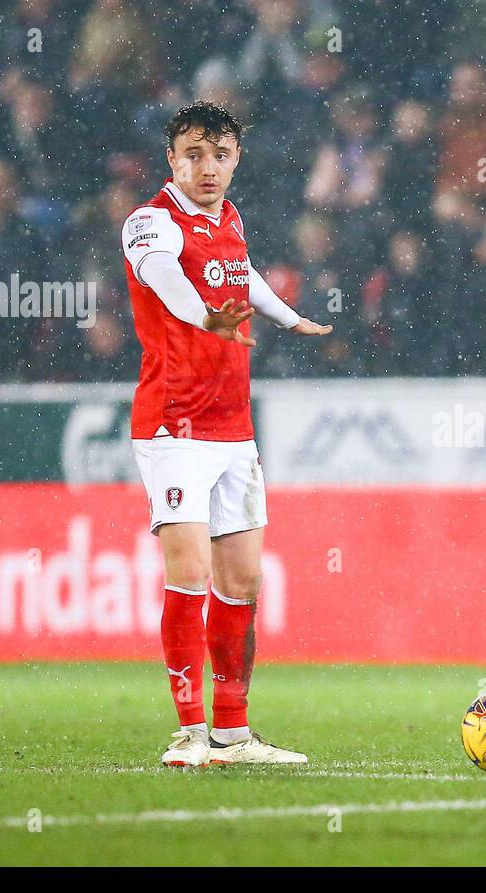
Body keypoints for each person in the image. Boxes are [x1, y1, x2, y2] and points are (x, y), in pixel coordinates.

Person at [120, 101, 333, 767]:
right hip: (173, 425)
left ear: (236, 158)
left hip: (233, 427)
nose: (206, 167)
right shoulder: (149, 223)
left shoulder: (231, 219)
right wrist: (207, 316)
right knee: (190, 570)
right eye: (192, 154)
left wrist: (291, 318)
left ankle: (233, 734)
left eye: (219, 155)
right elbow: (167, 287)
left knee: (241, 582)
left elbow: (246, 278)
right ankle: (188, 733)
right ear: (171, 160)